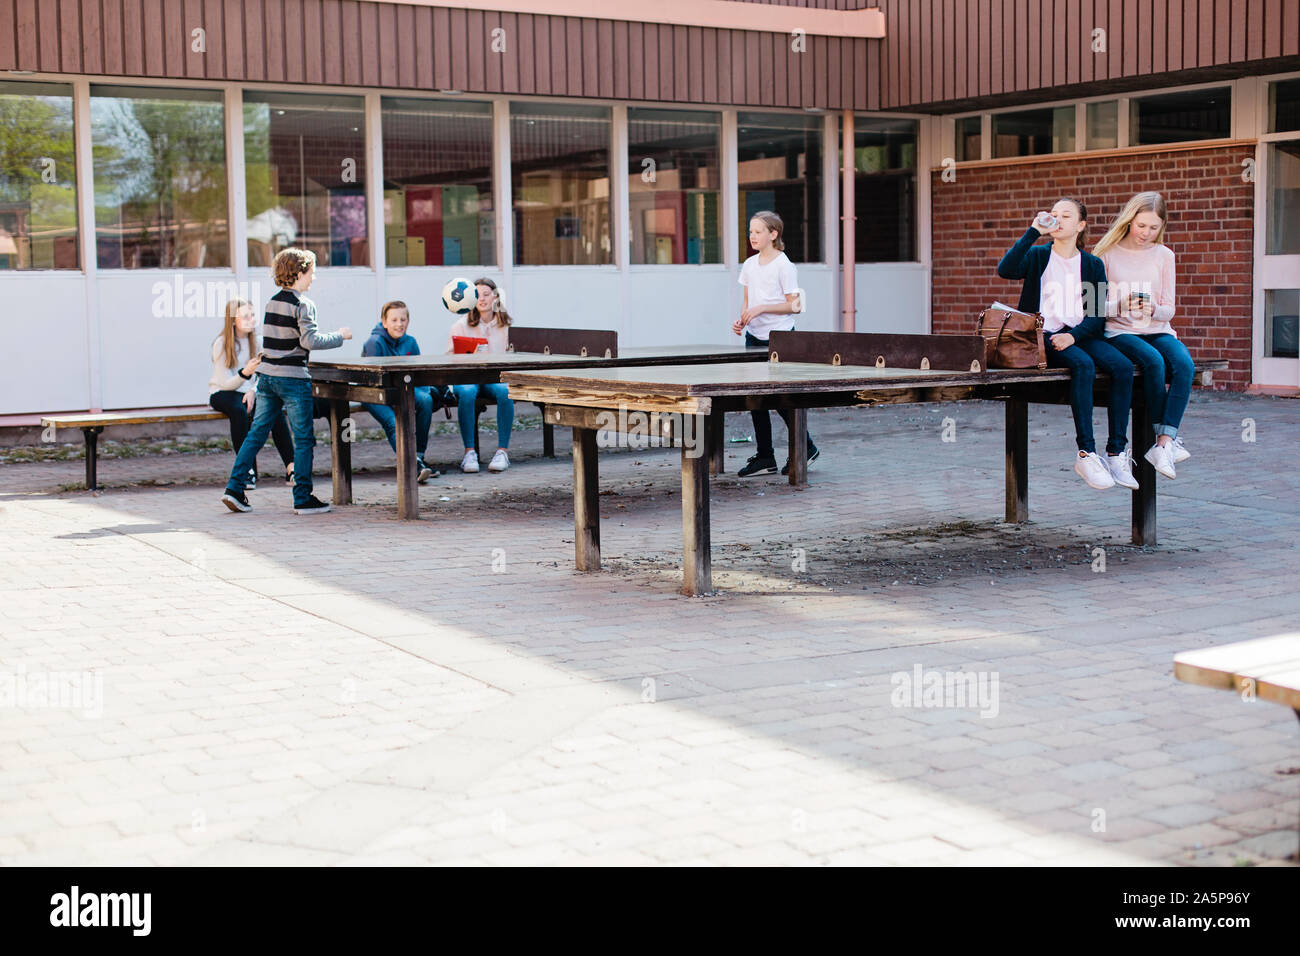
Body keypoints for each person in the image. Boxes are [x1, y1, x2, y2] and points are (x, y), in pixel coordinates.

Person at [996, 198, 1137, 491]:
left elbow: (1096, 315)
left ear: (1081, 225)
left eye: (1066, 215)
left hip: (1079, 334)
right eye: (1054, 214)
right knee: (1083, 364)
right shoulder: (1037, 257)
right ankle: (1086, 453)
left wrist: (1074, 336)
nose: (1058, 219)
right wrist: (1033, 231)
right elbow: (1006, 270)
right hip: (1042, 335)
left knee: (1123, 367)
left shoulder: (1093, 264)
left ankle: (1116, 452)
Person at [221, 248, 351, 514]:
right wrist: (340, 335)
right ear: (300, 272)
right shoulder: (304, 304)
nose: (313, 278)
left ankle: (234, 489)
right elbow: (309, 341)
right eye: (312, 272)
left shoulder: (271, 303)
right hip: (293, 379)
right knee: (303, 439)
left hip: (268, 378)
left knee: (256, 433)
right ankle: (303, 497)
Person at [1092, 191, 1193, 480]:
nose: (1146, 233)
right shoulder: (1106, 254)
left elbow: (1169, 310)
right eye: (1141, 226)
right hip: (1120, 331)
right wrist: (1121, 305)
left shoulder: (1165, 255)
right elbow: (1093, 307)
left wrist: (1154, 309)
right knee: (1153, 362)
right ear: (1128, 220)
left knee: (1184, 365)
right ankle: (1161, 443)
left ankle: (1164, 442)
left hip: (1157, 329)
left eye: (1154, 227)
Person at [731, 211, 818, 477]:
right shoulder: (748, 264)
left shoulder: (784, 265)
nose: (752, 236)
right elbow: (748, 301)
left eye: (758, 231)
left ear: (773, 234)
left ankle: (807, 448)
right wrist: (743, 318)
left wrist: (761, 309)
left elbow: (795, 304)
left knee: (779, 398)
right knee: (754, 398)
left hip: (780, 338)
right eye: (750, 231)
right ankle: (765, 456)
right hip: (754, 337)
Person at [208, 298, 295, 489]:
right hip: (223, 392)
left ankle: (291, 467)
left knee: (273, 410)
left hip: (249, 392)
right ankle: (248, 470)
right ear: (232, 320)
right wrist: (245, 373)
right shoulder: (221, 344)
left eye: (253, 315)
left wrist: (253, 390)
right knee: (240, 411)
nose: (250, 320)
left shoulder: (258, 342)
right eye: (245, 316)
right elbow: (225, 382)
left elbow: (264, 374)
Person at [361, 300, 439, 483]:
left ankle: (419, 455)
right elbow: (374, 380)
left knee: (426, 400)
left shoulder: (411, 342)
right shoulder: (375, 342)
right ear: (384, 321)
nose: (399, 324)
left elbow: (418, 375)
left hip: (402, 391)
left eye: (403, 319)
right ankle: (414, 464)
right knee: (392, 421)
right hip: (373, 393)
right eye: (394, 320)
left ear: (408, 321)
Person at [445, 277, 513, 474]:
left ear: (495, 297)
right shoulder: (460, 325)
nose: (482, 299)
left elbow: (513, 355)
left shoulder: (506, 326)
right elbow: (449, 358)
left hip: (494, 379)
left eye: (486, 294)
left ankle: (502, 451)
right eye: (477, 295)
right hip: (468, 378)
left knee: (506, 391)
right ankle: (469, 453)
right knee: (466, 392)